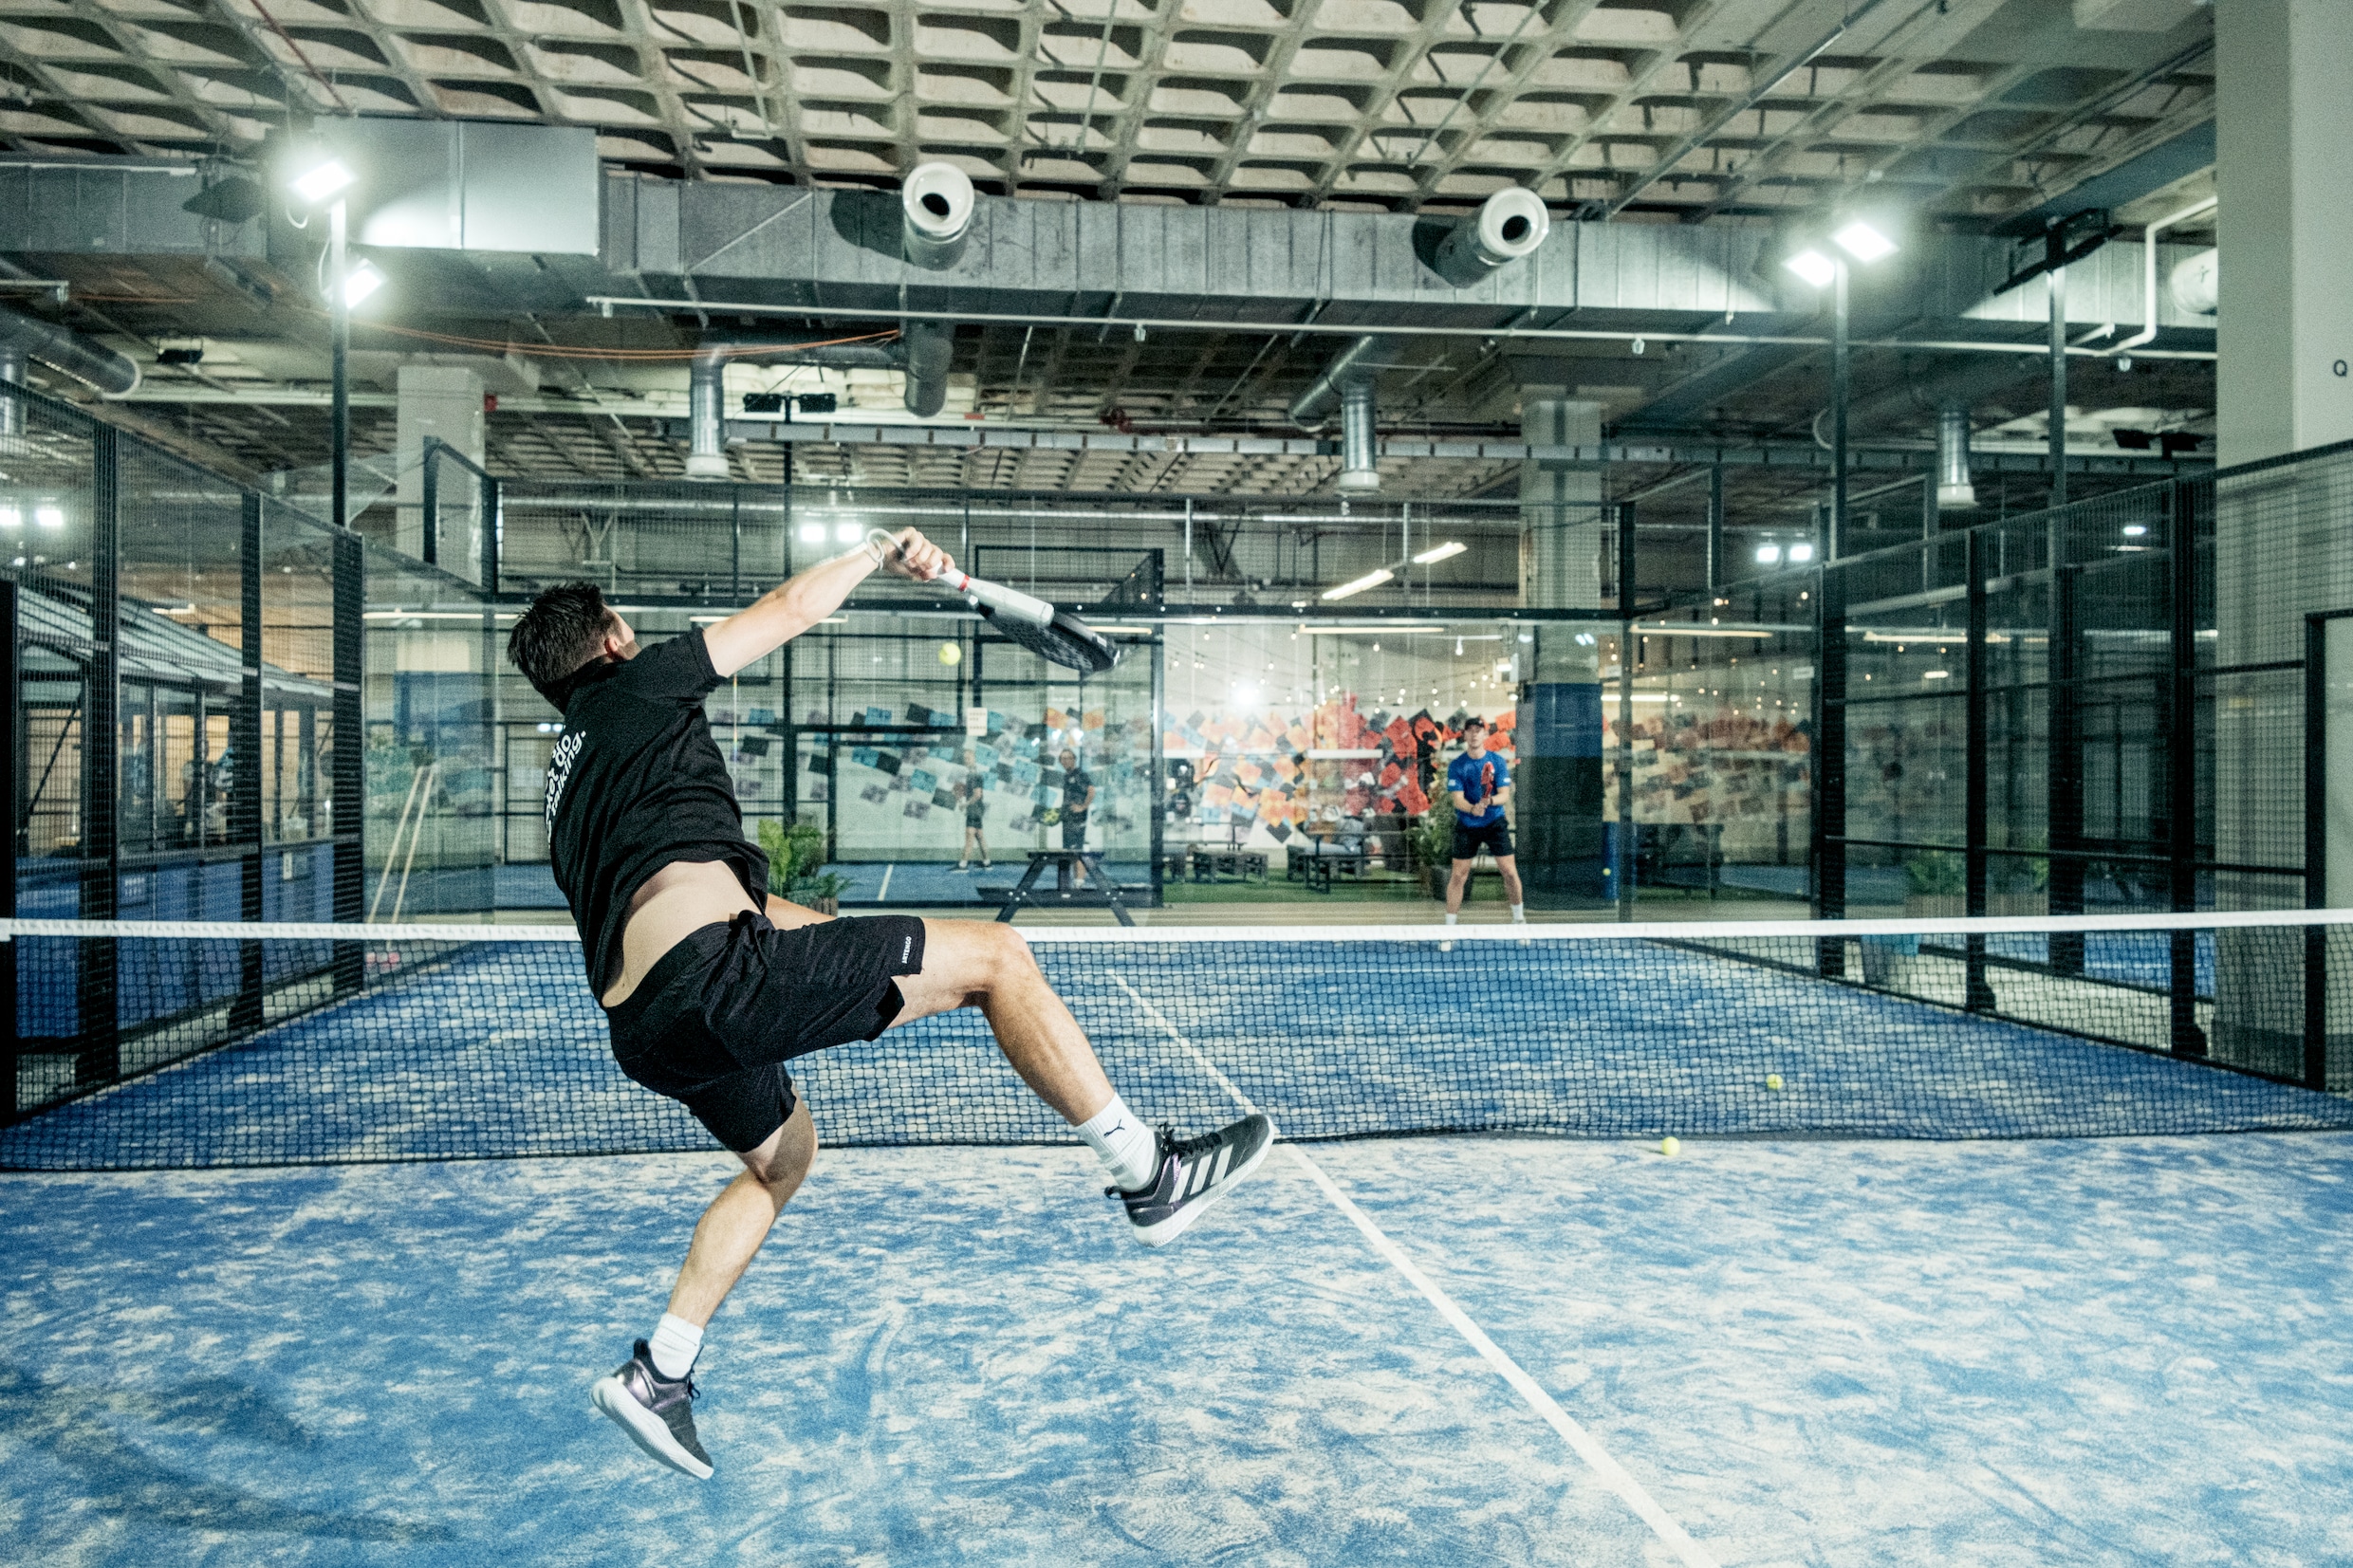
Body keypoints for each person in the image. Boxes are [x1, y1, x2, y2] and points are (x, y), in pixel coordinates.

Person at [504, 530, 1270, 1482]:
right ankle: (1144, 1172)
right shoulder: (638, 685)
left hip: (649, 1028)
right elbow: (789, 612)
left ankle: (660, 1370)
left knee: (784, 1157)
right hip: (718, 981)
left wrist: (845, 932)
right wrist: (873, 548)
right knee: (999, 957)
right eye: (627, 623)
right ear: (610, 641)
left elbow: (719, 900)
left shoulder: (576, 789)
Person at [1444, 717, 1526, 927]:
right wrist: (1472, 808)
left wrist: (1488, 801)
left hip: (1494, 824)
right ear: (1464, 735)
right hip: (1467, 825)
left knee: (1509, 872)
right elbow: (1458, 799)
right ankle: (1449, 928)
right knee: (1459, 876)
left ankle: (1519, 919)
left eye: (1478, 730)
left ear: (1485, 735)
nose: (1474, 734)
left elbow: (1504, 795)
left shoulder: (1497, 762)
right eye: (1470, 730)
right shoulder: (1457, 765)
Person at [1057, 746, 1095, 881]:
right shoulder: (1067, 776)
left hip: (1077, 819)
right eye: (1062, 759)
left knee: (1077, 849)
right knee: (1069, 850)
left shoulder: (1080, 775)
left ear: (1074, 760)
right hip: (1067, 819)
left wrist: (1083, 807)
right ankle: (1075, 880)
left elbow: (1091, 791)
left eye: (1068, 758)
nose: (1065, 761)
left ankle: (1080, 880)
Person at [955, 753, 990, 872]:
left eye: (968, 758)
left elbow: (977, 794)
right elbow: (974, 793)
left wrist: (965, 804)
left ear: (974, 758)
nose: (966, 760)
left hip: (974, 810)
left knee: (969, 836)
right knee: (980, 836)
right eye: (964, 758)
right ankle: (987, 863)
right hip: (977, 809)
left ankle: (963, 865)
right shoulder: (973, 774)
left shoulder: (973, 775)